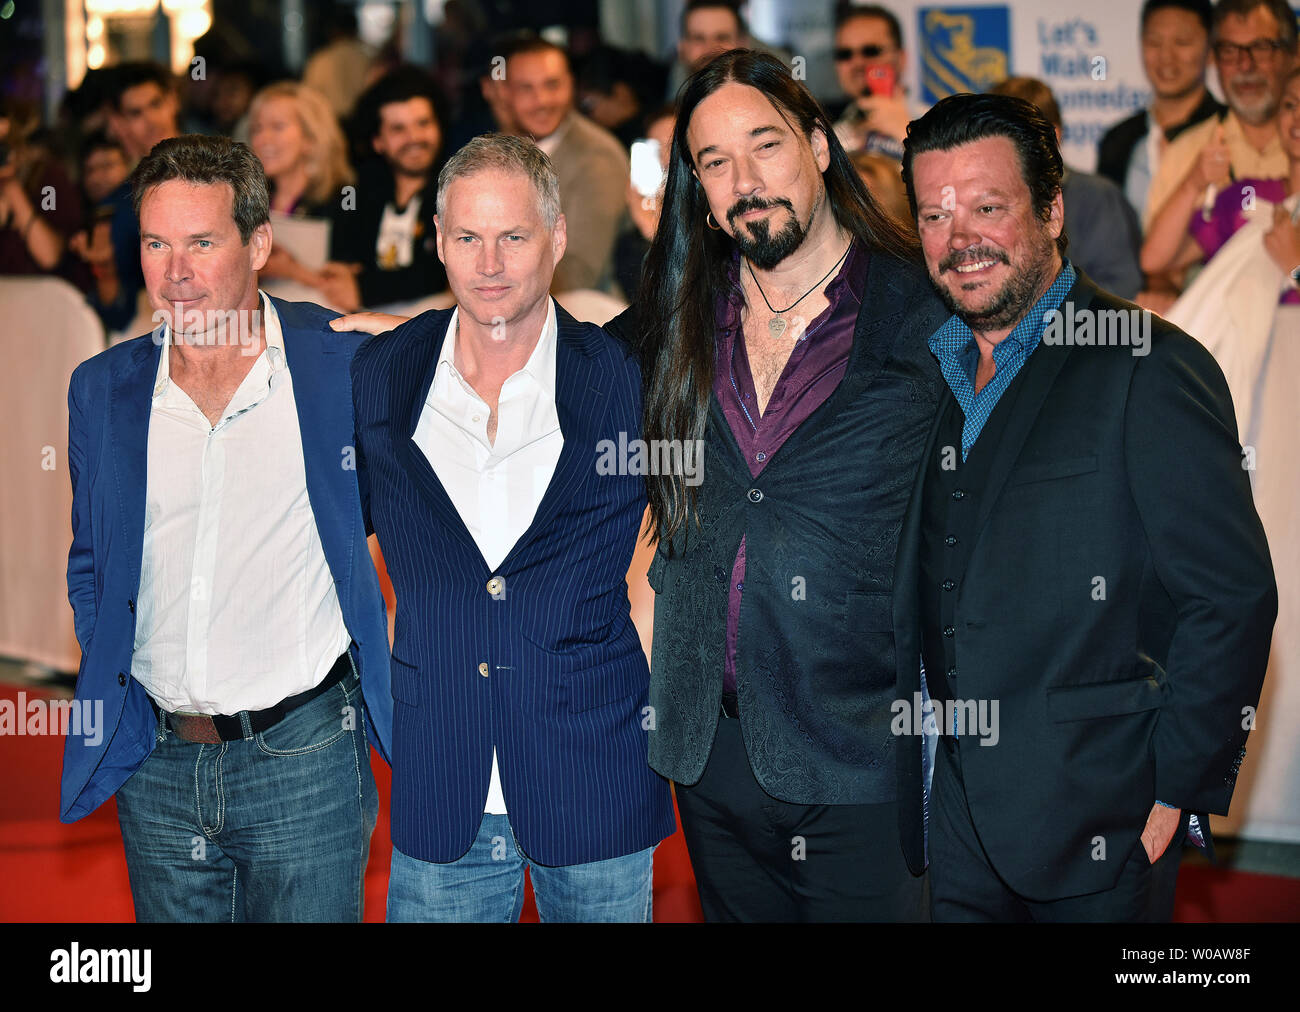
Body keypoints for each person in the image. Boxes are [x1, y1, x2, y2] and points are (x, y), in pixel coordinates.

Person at [896, 92, 1276, 921]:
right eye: (935, 215)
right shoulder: (931, 372)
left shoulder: (1146, 365)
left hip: (1104, 816)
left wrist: (1176, 787)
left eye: (988, 207)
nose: (960, 240)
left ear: (1054, 209)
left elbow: (1232, 595)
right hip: (955, 815)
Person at [607, 49, 949, 921]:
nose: (744, 181)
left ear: (820, 146)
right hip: (710, 751)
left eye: (765, 146)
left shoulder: (924, 315)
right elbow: (551, 364)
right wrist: (437, 334)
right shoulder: (676, 313)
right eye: (715, 162)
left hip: (863, 748)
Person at [60, 134, 393, 922]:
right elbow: (90, 563)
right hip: (158, 765)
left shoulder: (339, 362)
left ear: (260, 243)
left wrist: (429, 343)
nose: (176, 272)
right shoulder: (102, 389)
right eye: (155, 244)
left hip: (305, 756)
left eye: (202, 243)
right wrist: (125, 679)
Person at [345, 134, 675, 922]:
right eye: (468, 237)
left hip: (595, 773)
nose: (489, 262)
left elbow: (726, 306)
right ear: (438, 242)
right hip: (441, 777)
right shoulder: (378, 374)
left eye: (513, 236)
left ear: (557, 238)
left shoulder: (626, 377)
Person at [1143, 0, 1296, 236]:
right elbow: (1156, 268)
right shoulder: (1185, 154)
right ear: (1213, 58)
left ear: (1293, 55)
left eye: (1261, 48)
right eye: (1229, 51)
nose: (1245, 65)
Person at [1143, 66, 1300, 290]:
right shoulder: (1249, 197)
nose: (1297, 116)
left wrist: (1294, 266)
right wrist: (1193, 182)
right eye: (1290, 105)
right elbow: (1154, 260)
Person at [990, 76, 1144, 299]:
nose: (1002, 150)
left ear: (1052, 136)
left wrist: (1040, 310)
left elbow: (1121, 288)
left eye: (1014, 136)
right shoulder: (981, 203)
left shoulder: (1097, 198)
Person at [498, 35, 629, 293]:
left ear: (571, 85)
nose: (542, 101)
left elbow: (579, 276)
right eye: (526, 88)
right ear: (504, 93)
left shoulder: (598, 157)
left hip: (588, 314)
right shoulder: (501, 149)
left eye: (552, 85)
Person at [324, 67, 449, 311]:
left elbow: (438, 274)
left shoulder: (458, 190)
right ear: (378, 142)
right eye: (398, 129)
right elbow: (341, 260)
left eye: (423, 123)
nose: (414, 138)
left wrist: (363, 289)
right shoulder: (359, 192)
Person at [1096, 0, 1223, 222]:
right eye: (1154, 42)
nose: (1166, 56)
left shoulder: (1229, 130)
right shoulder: (1117, 141)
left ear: (1211, 50)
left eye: (1182, 42)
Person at [248, 81, 354, 291]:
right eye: (257, 128)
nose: (262, 139)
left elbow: (348, 293)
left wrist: (290, 269)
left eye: (277, 127)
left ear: (311, 139)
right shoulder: (248, 201)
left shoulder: (342, 202)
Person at [831, 3, 915, 161]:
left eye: (871, 51)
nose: (857, 63)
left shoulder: (938, 123)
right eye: (845, 54)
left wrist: (905, 133)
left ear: (901, 59)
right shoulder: (830, 139)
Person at [104, 62, 181, 165]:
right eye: (136, 113)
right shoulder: (129, 179)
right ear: (120, 122)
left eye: (156, 104)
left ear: (173, 101)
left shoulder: (209, 158)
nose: (151, 120)